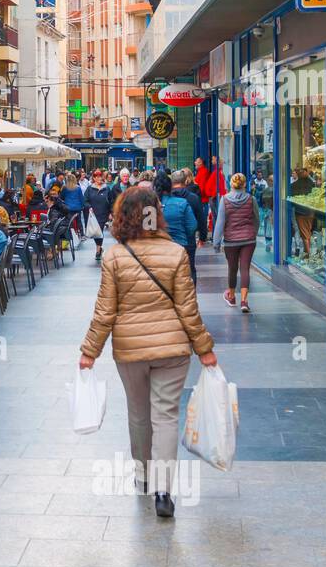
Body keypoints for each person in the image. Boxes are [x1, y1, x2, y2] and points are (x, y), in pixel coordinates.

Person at [79, 187, 217, 519]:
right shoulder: (176, 254)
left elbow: (104, 312)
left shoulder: (115, 257)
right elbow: (188, 310)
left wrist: (89, 352)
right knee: (166, 416)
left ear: (123, 217)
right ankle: (164, 490)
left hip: (130, 350)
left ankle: (142, 475)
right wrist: (205, 350)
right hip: (172, 348)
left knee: (139, 415)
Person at [213, 172, 261, 313]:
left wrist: (216, 243)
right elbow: (256, 219)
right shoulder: (251, 199)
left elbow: (220, 223)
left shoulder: (225, 200)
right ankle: (244, 301)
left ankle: (232, 296)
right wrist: (254, 233)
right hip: (249, 240)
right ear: (245, 184)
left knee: (232, 268)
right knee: (245, 268)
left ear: (231, 184)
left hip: (231, 241)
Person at [157, 172, 199, 283]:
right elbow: (192, 226)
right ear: (170, 186)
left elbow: (147, 229)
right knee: (183, 278)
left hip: (158, 249)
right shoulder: (182, 203)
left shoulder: (150, 205)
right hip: (180, 245)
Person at [84, 168, 114, 262]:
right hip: (93, 214)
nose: (98, 178)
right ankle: (99, 248)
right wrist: (89, 207)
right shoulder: (89, 189)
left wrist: (111, 213)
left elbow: (111, 201)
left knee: (99, 231)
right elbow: (85, 200)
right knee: (95, 233)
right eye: (96, 176)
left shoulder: (106, 188)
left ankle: (98, 250)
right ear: (93, 178)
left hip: (103, 213)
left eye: (100, 176)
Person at [172, 169, 207, 248]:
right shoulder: (193, 198)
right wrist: (202, 237)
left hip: (171, 239)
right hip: (189, 238)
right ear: (185, 181)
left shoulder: (166, 197)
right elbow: (201, 218)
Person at [290, 167, 316, 258]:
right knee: (307, 232)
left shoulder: (294, 185)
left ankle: (308, 254)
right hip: (310, 211)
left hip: (300, 212)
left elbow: (291, 198)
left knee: (304, 233)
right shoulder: (312, 184)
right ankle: (307, 252)